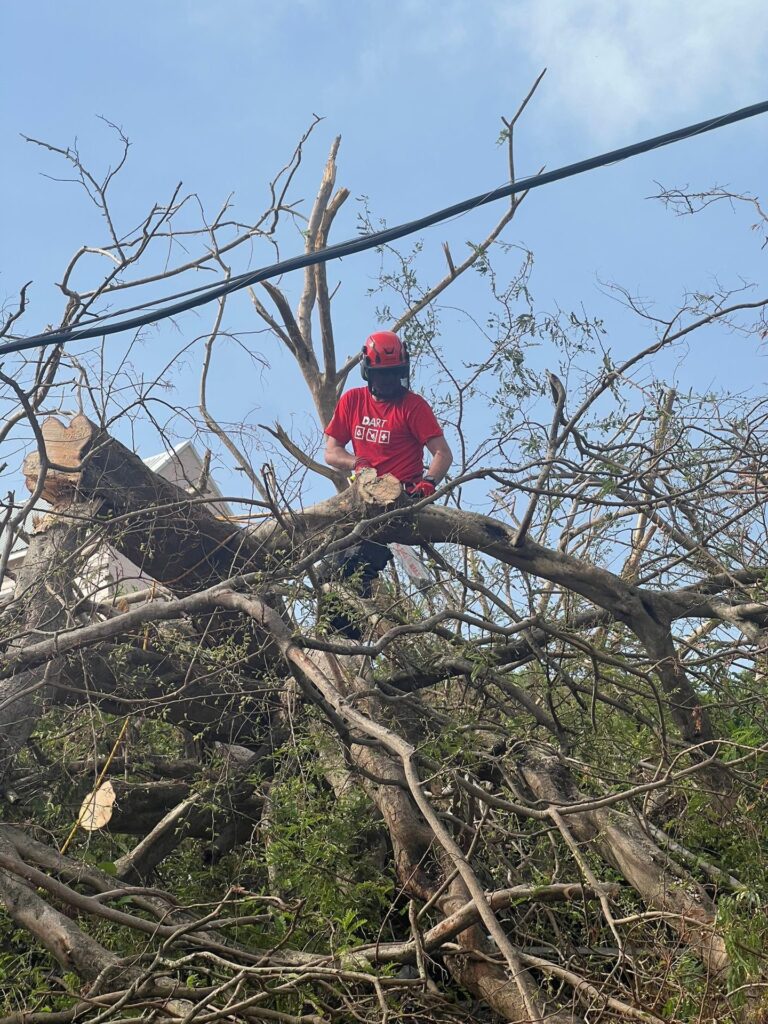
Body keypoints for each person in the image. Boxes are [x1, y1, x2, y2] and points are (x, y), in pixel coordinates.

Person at [319, 330, 452, 635]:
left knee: (356, 564)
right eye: (383, 374)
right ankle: (336, 639)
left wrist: (428, 483)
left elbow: (442, 453)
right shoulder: (353, 400)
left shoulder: (413, 406)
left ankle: (347, 639)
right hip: (362, 499)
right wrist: (357, 462)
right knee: (328, 569)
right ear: (369, 372)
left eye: (395, 373)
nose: (390, 380)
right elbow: (331, 451)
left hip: (399, 502)